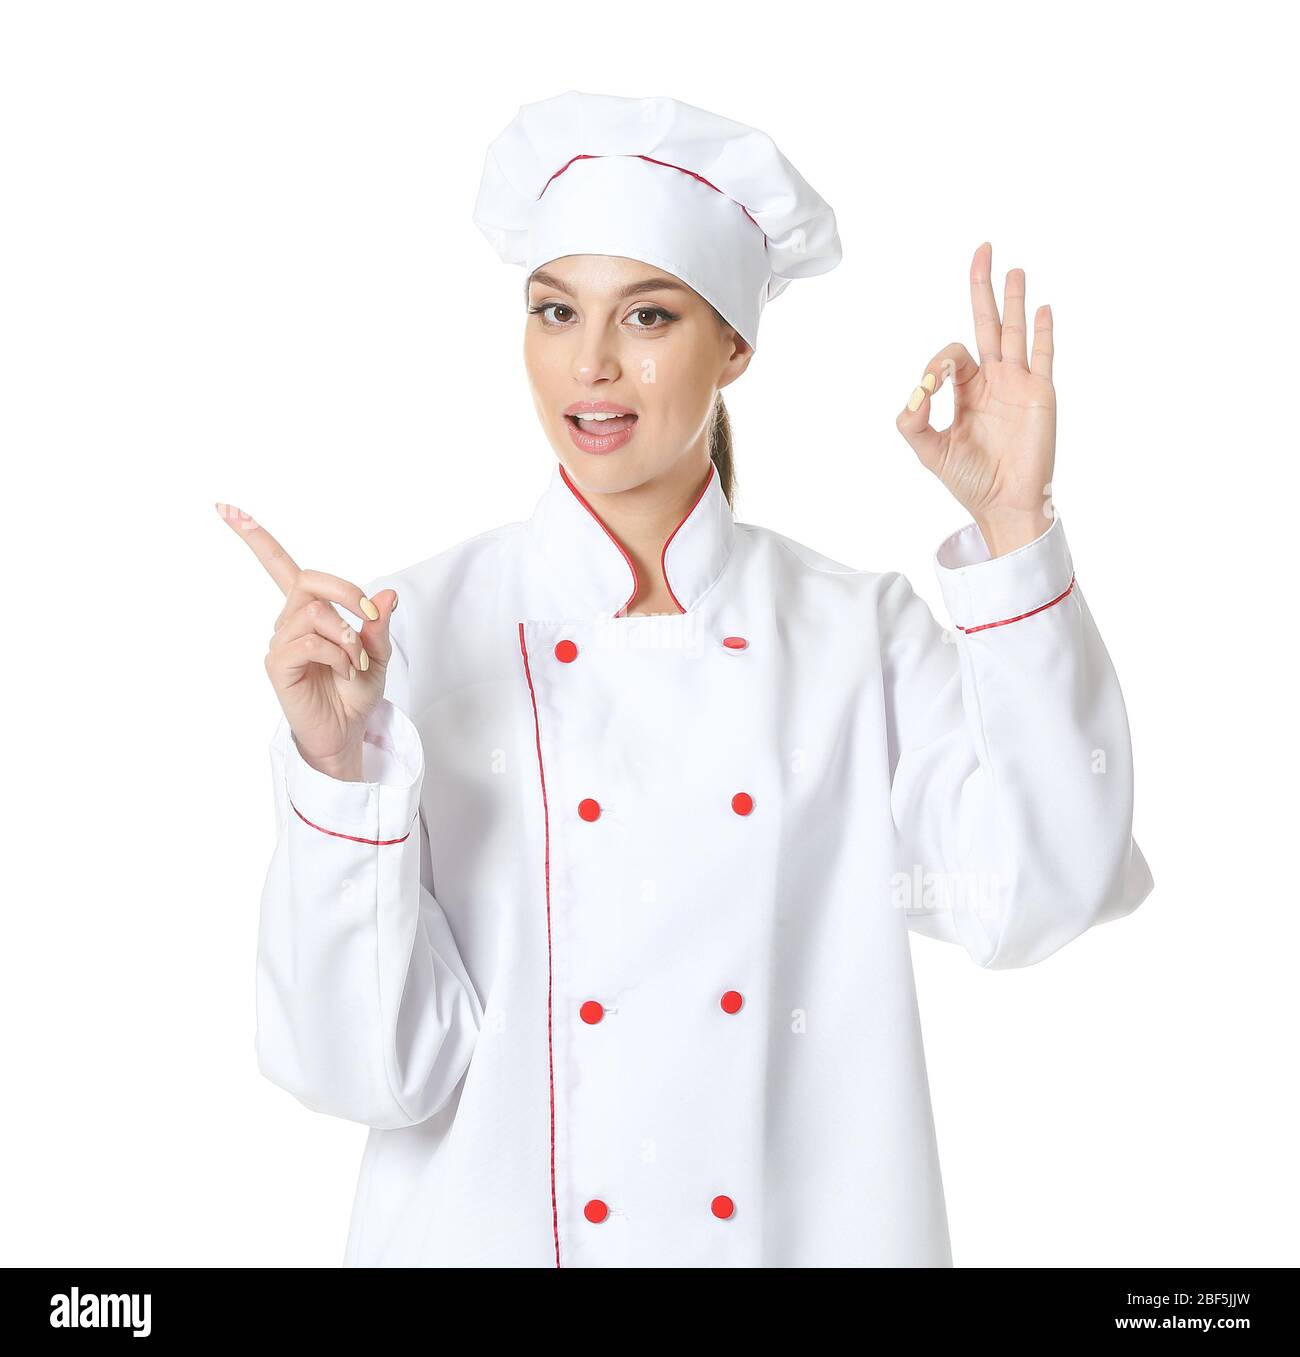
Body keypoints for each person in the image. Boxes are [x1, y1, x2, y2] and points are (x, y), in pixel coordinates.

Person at [219, 90, 1154, 1268]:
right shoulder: (410, 638)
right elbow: (363, 1070)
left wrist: (1015, 533)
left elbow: (1039, 891)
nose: (591, 365)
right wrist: (335, 769)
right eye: (554, 311)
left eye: (647, 316)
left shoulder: (851, 633)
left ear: (736, 346)